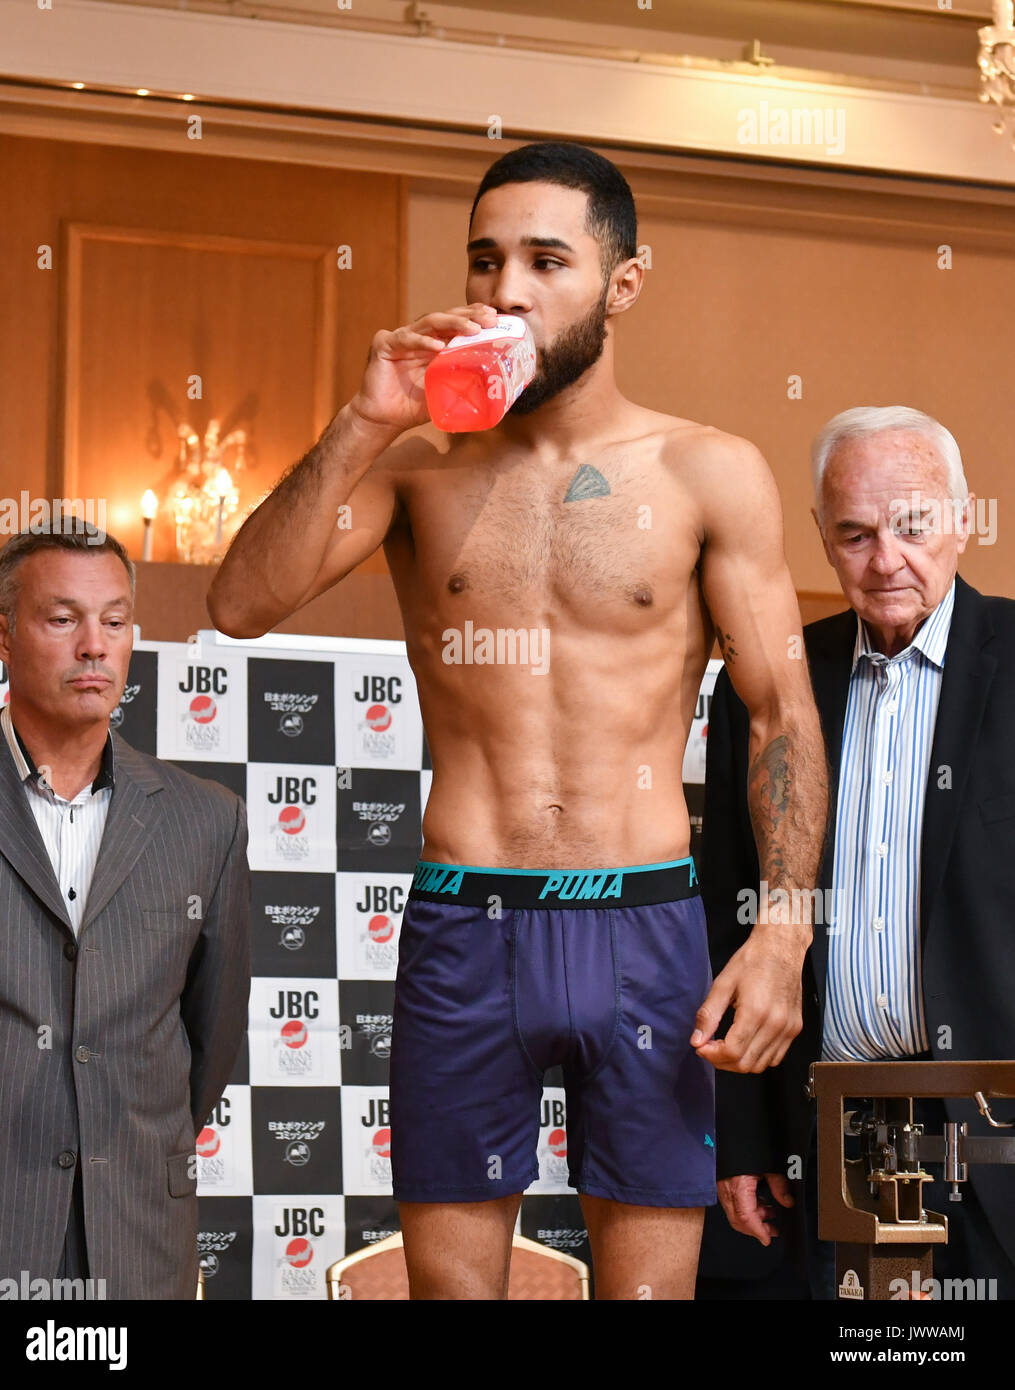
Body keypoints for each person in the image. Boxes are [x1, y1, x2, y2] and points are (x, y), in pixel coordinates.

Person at [208, 140, 827, 1300]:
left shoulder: (707, 469)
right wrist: (362, 416)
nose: (506, 291)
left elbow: (779, 711)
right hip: (467, 924)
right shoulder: (419, 475)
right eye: (486, 261)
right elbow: (238, 603)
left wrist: (784, 931)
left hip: (642, 925)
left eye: (547, 260)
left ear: (624, 282)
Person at [701, 405, 1015, 1299]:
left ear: (961, 517)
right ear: (820, 538)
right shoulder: (767, 685)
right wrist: (747, 1137)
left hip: (995, 1126)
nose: (886, 561)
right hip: (827, 1134)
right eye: (854, 534)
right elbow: (731, 903)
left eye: (913, 526)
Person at [0, 524, 250, 1300]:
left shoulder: (207, 820)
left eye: (116, 620)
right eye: (63, 619)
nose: (94, 646)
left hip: (136, 1236)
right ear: (1, 634)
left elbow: (211, 1031)